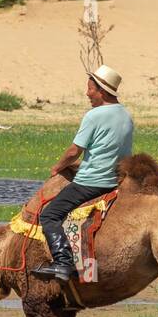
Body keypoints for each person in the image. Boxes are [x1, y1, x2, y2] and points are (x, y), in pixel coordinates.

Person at [31, 65, 134, 282]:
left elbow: (74, 151)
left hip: (91, 182)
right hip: (115, 181)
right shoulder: (126, 115)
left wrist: (58, 167)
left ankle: (62, 263)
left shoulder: (94, 116)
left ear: (102, 92)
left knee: (49, 215)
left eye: (90, 89)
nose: (87, 93)